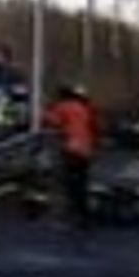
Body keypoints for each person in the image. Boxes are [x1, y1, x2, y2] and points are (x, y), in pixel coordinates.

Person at [44, 84, 98, 228]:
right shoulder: (84, 107)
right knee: (81, 183)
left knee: (70, 184)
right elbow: (93, 126)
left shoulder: (63, 106)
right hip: (86, 150)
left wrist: (47, 110)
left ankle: (73, 215)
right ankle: (84, 214)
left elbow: (51, 121)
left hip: (72, 149)